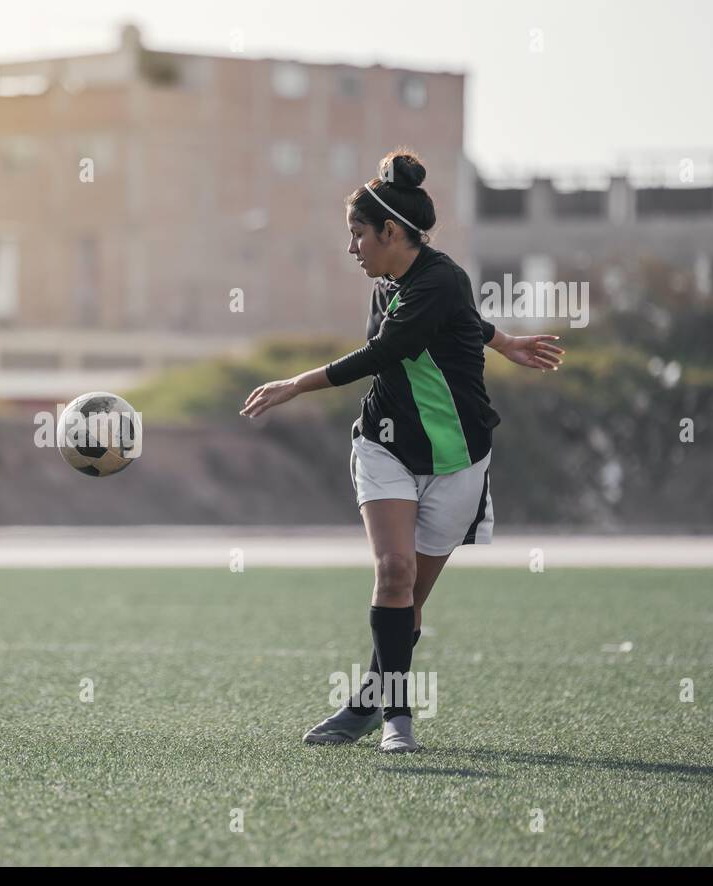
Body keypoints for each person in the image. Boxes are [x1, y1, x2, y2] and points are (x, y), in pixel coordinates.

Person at [239, 149, 563, 753]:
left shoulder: (441, 278)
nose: (352, 248)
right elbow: (458, 324)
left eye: (358, 235)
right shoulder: (390, 282)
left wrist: (295, 385)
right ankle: (398, 721)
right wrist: (505, 339)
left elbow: (384, 351)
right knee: (393, 573)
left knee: (409, 602)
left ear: (391, 231)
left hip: (460, 457)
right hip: (384, 443)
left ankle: (367, 701)